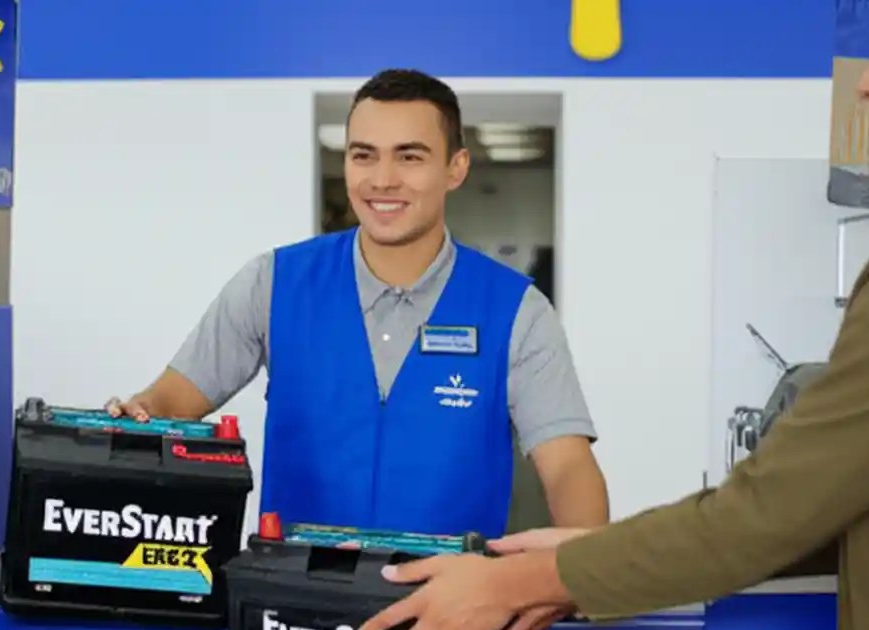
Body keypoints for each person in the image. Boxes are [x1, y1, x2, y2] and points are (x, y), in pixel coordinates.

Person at [355, 1, 869, 630]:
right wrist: (568, 562)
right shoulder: (280, 281)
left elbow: (767, 514)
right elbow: (854, 514)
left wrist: (528, 580)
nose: (868, 82)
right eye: (364, 154)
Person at [107, 69, 610, 539]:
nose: (382, 179)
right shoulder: (274, 283)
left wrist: (577, 576)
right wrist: (138, 413)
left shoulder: (516, 309)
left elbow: (566, 464)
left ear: (455, 168)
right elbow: (173, 402)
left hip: (450, 610)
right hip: (294, 607)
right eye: (363, 154)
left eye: (409, 156)